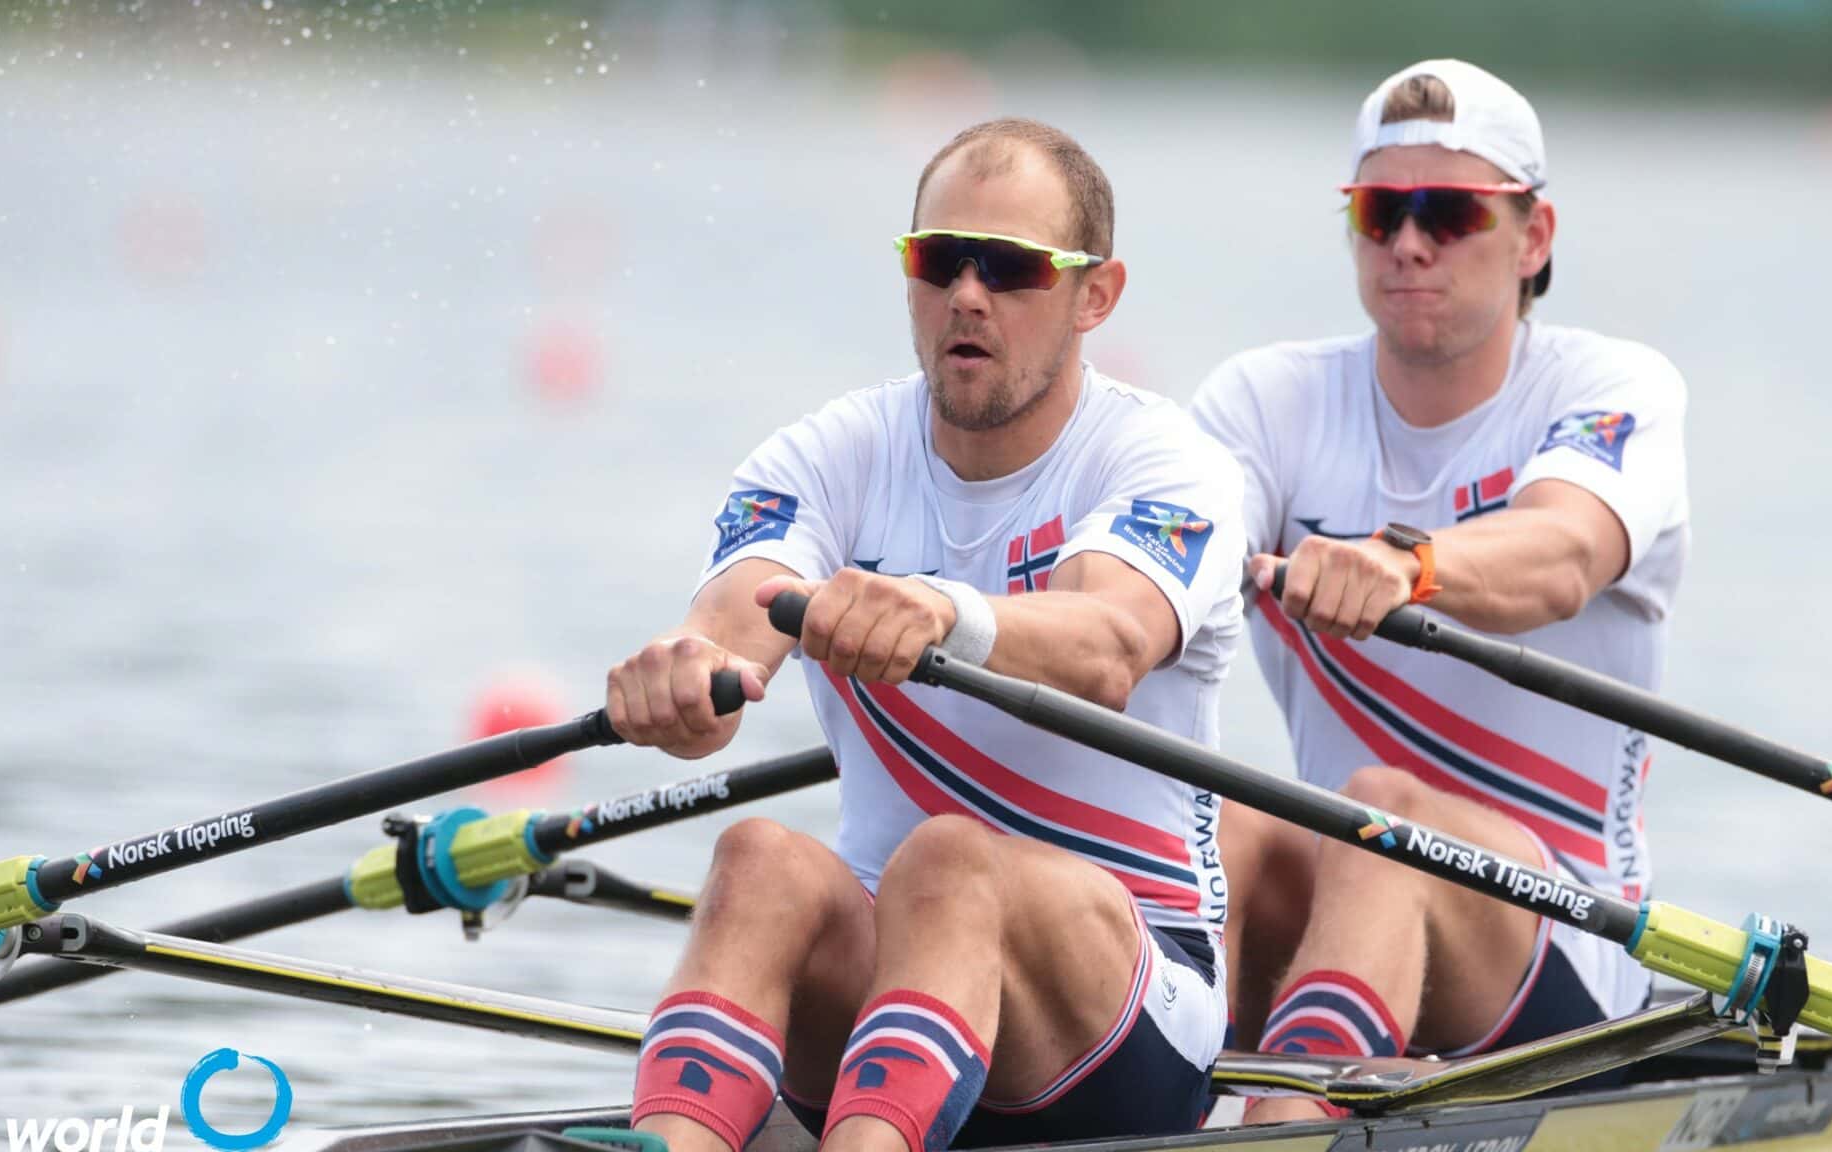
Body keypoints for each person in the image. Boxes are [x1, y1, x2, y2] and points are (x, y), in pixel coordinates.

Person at [603, 118, 1247, 1152]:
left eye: (1011, 267)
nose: (967, 294)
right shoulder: (825, 454)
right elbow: (730, 637)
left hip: (1124, 1025)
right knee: (759, 857)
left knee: (949, 860)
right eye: (938, 259)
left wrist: (951, 613)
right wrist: (684, 684)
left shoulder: (1167, 465)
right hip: (885, 1010)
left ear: (1095, 296)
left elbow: (1106, 644)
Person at [1190, 59, 1690, 1122]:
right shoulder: (1265, 402)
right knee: (1207, 817)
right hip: (1347, 888)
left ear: (1533, 237)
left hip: (1571, 952)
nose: (1408, 243)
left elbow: (1558, 554)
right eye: (1379, 212)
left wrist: (1404, 564)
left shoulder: (1609, 391)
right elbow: (1166, 572)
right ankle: (1156, 1099)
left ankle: (1282, 1128)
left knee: (1381, 816)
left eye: (1450, 213)